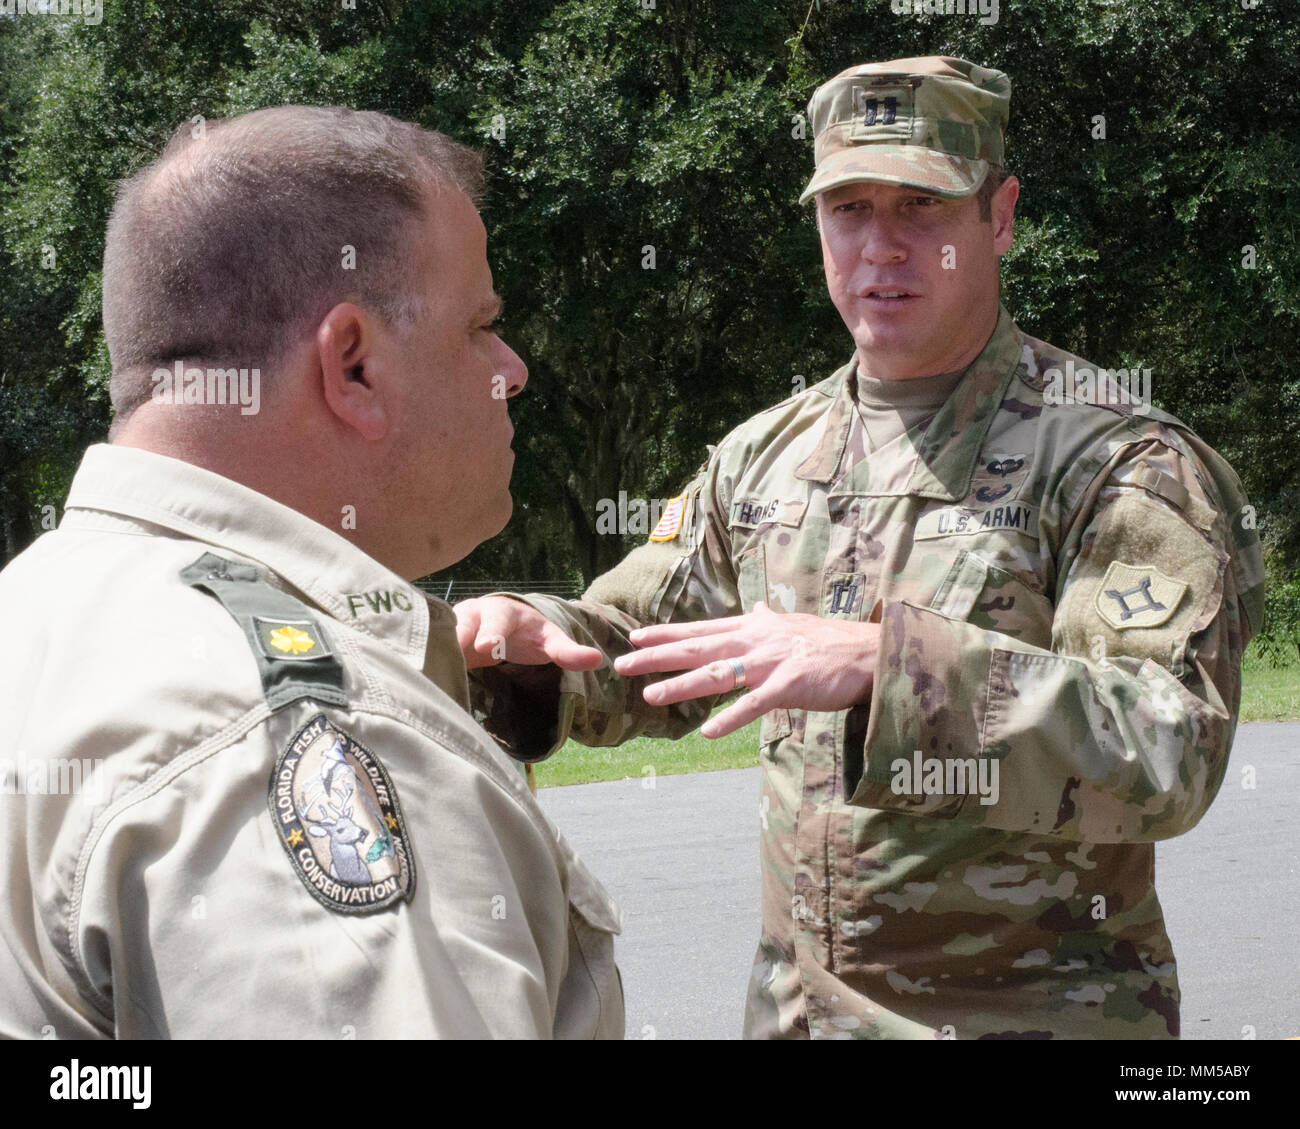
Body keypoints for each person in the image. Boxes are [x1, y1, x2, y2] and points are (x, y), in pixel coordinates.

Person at [456, 56, 1264, 1039]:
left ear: (998, 217)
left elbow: (1166, 748)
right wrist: (533, 641)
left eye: (921, 205)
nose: (881, 245)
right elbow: (640, 641)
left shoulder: (1117, 461)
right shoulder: (764, 455)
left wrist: (891, 670)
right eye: (848, 208)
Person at [0, 105, 623, 1039]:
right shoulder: (295, 737)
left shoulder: (41, 606)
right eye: (482, 324)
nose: (514, 367)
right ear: (354, 366)